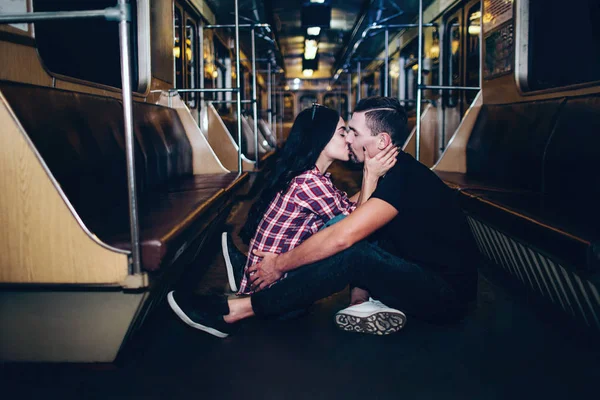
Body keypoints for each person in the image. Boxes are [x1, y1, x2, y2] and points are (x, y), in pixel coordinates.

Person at [168, 97, 479, 338]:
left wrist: (279, 263)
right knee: (360, 233)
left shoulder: (403, 178)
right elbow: (354, 208)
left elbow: (344, 235)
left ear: (381, 142)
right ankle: (361, 303)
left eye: (354, 133)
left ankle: (236, 311)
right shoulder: (393, 170)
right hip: (417, 274)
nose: (349, 140)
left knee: (352, 249)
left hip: (445, 297)